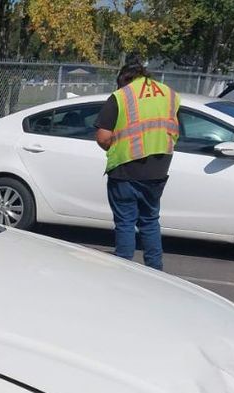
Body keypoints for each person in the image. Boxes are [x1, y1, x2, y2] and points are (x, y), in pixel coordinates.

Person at [94, 62, 180, 270]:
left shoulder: (122, 96)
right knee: (150, 221)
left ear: (124, 79)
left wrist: (116, 147)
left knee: (125, 223)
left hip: (126, 168)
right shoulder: (170, 94)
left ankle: (124, 269)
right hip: (158, 169)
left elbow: (103, 137)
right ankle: (155, 270)